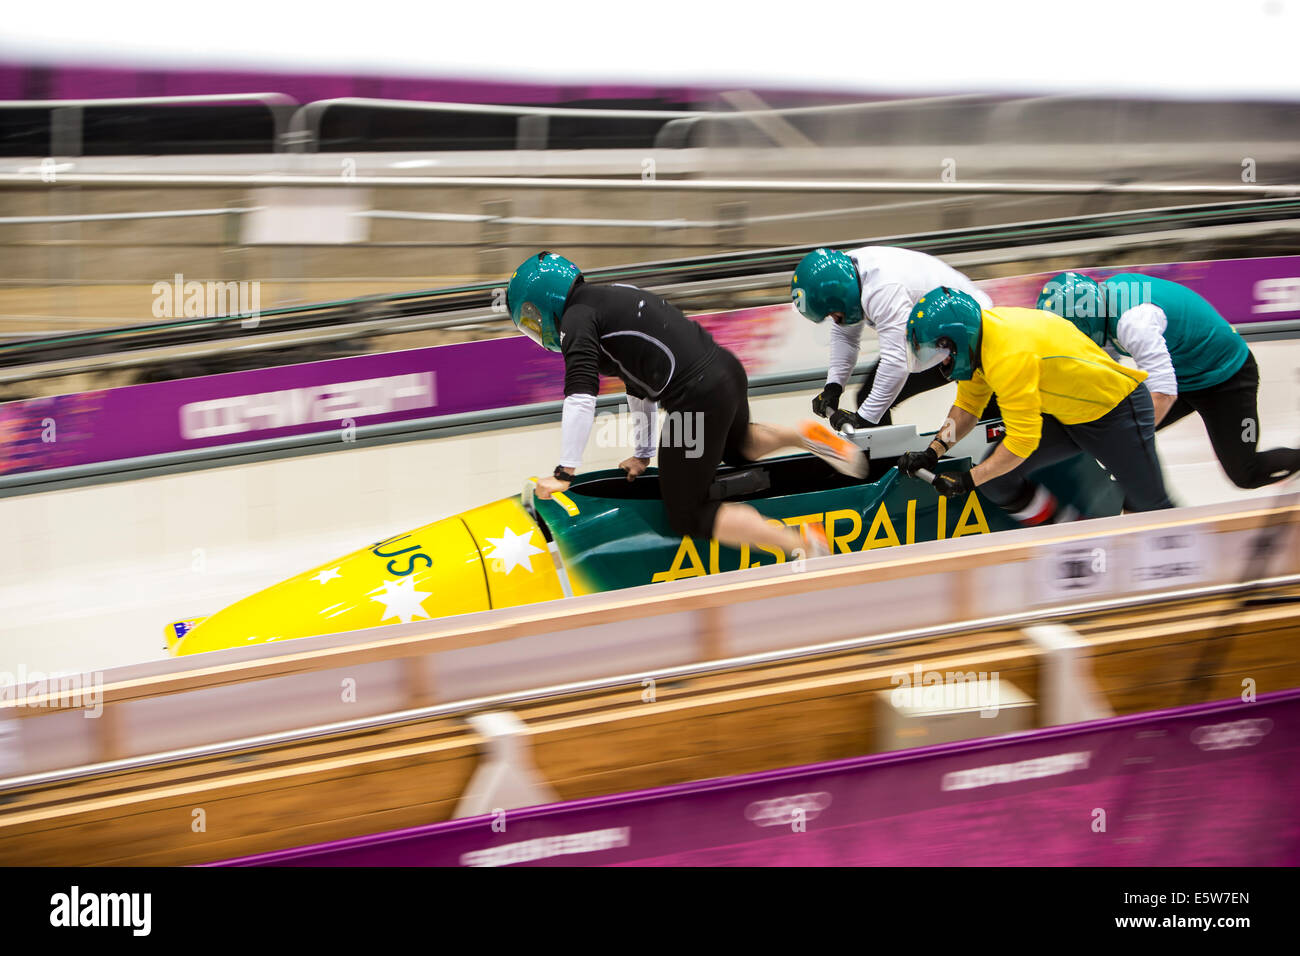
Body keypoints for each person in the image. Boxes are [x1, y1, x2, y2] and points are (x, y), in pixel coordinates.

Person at [507, 251, 869, 560]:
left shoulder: (576, 320)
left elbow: (581, 395)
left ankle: (802, 542)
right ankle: (802, 433)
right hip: (724, 369)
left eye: (532, 317)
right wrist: (643, 453)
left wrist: (564, 473)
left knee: (686, 512)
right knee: (738, 448)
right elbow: (638, 385)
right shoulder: (610, 298)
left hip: (696, 398)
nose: (537, 326)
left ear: (544, 300)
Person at [897, 286, 1174, 524]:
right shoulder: (979, 338)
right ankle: (1067, 533)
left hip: (1116, 410)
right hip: (1066, 414)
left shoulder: (1010, 356)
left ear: (957, 339)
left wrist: (968, 480)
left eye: (942, 353)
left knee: (1151, 506)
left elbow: (1021, 442)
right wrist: (933, 452)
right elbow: (967, 407)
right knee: (997, 482)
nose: (942, 362)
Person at [1038, 271, 1300, 489]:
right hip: (1181, 374)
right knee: (1108, 435)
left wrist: (1121, 443)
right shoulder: (1098, 305)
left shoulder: (1134, 322)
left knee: (1246, 473)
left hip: (1226, 379)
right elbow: (1102, 379)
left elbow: (1163, 394)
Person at [790, 246, 994, 431]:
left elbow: (897, 362)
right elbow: (845, 337)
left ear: (841, 297)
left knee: (984, 410)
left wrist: (865, 419)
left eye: (832, 312)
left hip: (969, 329)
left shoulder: (882, 289)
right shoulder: (848, 273)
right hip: (937, 328)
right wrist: (833, 386)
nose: (833, 319)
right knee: (870, 399)